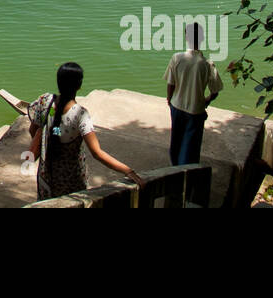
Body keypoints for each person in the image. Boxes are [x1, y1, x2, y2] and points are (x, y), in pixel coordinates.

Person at [28, 62, 144, 200]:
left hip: (46, 177)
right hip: (71, 183)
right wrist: (128, 171)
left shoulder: (44, 101)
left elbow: (33, 130)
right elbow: (97, 153)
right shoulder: (80, 115)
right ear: (79, 86)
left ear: (58, 82)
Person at [164, 22, 223, 165]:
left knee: (176, 140)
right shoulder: (207, 64)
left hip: (176, 106)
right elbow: (215, 91)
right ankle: (186, 173)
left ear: (186, 37)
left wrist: (170, 99)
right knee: (191, 146)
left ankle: (174, 169)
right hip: (195, 110)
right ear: (202, 38)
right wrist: (206, 100)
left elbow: (171, 84)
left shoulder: (177, 58)